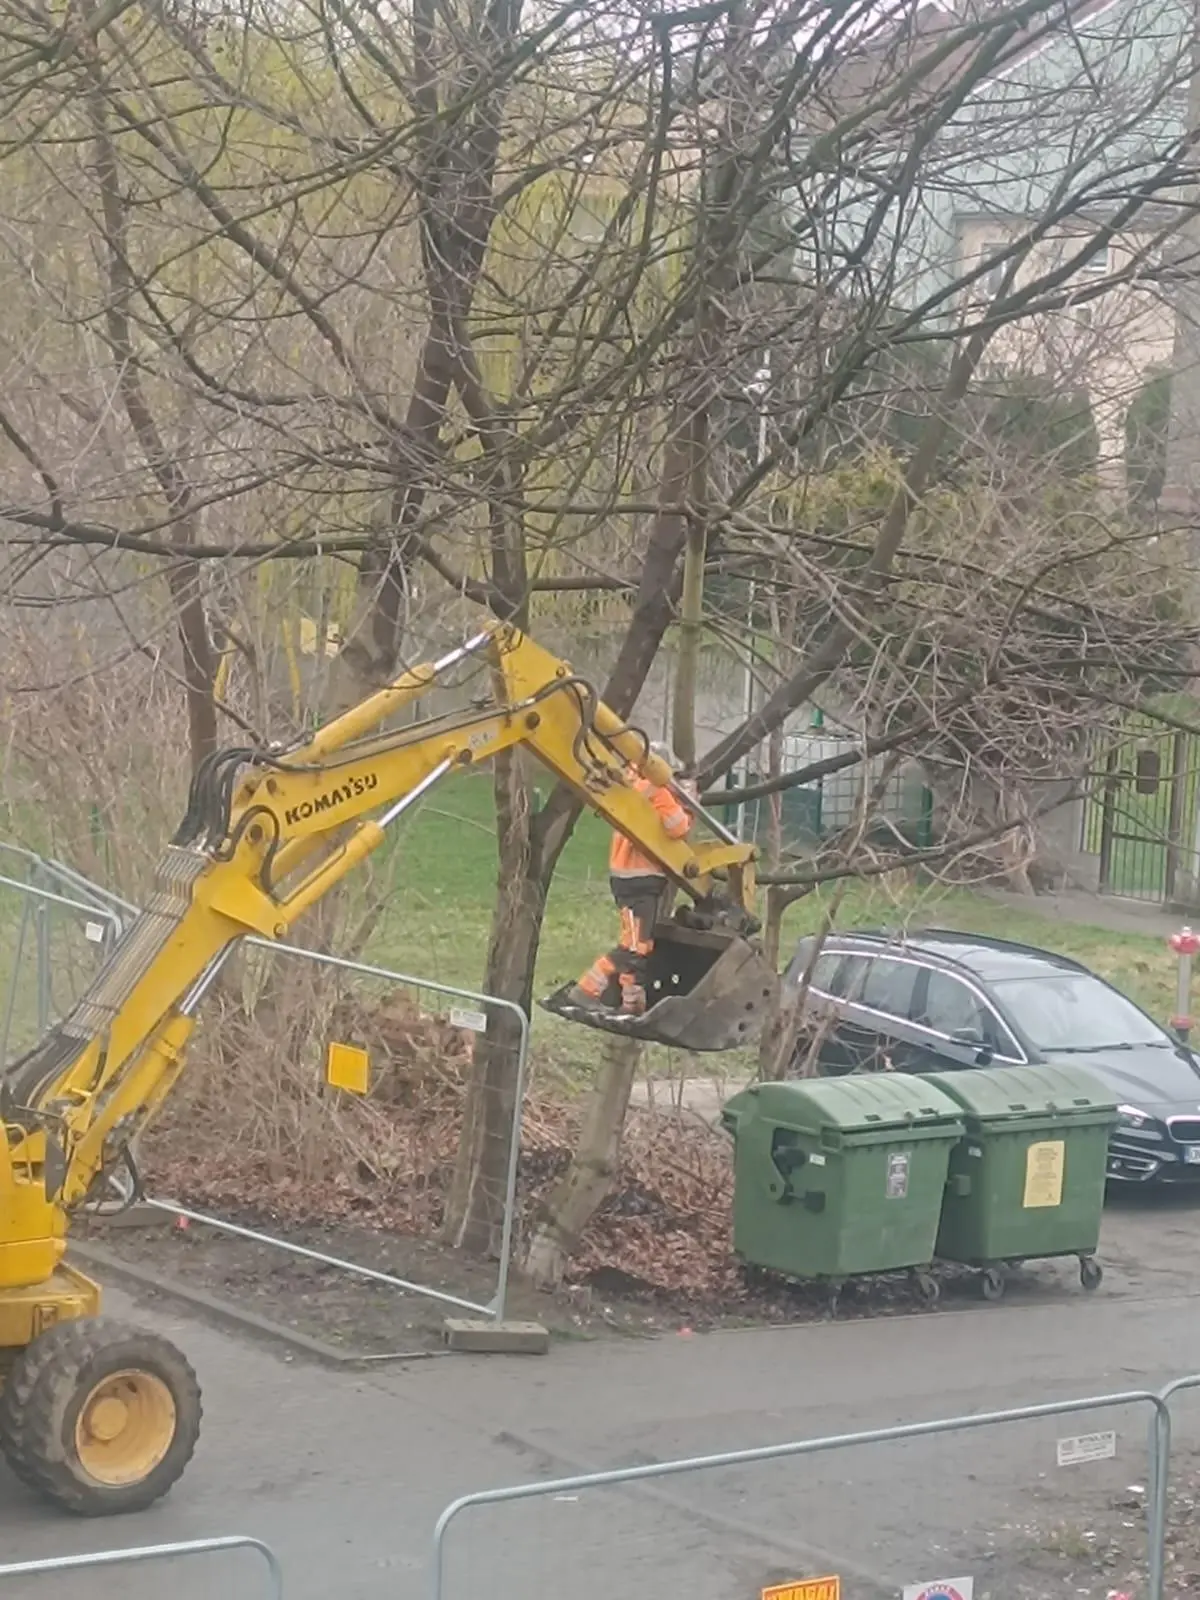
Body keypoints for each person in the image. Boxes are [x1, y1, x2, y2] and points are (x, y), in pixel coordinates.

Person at [568, 744, 695, 1016]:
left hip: (626, 877)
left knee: (640, 944)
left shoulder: (630, 785)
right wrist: (685, 803)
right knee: (635, 947)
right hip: (641, 879)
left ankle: (631, 1003)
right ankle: (586, 990)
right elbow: (678, 827)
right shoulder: (657, 791)